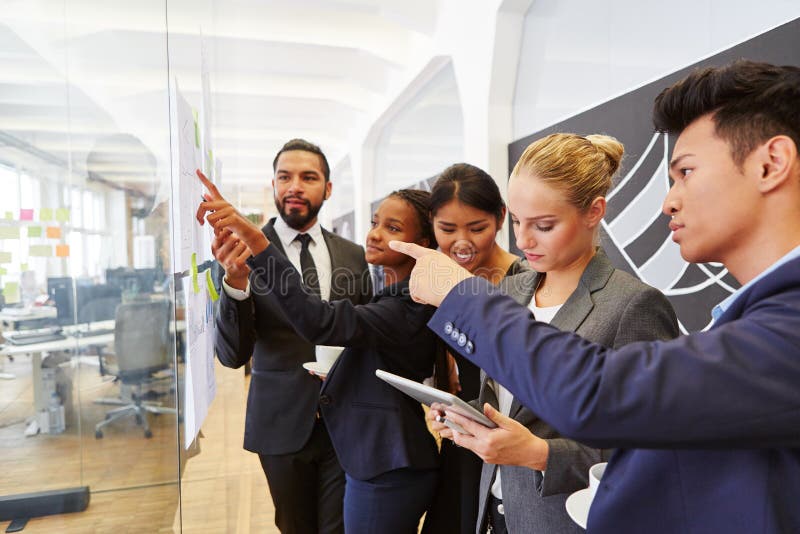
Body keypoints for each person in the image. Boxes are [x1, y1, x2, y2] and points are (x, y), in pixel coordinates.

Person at [390, 59, 800, 533]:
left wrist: (461, 295)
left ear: (771, 163)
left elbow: (599, 394)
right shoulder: (753, 317)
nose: (669, 201)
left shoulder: (776, 324)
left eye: (685, 172)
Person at [427, 135, 679, 534]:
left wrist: (540, 454)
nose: (523, 240)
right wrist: (467, 416)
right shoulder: (509, 292)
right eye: (516, 221)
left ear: (594, 211)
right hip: (494, 512)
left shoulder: (633, 305)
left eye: (544, 225)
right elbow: (509, 405)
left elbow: (651, 449)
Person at [198, 182, 442, 534]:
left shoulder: (408, 302)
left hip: (384, 458)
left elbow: (320, 322)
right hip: (340, 441)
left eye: (392, 228)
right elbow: (382, 359)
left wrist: (256, 242)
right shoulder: (396, 294)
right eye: (375, 222)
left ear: (422, 245)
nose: (374, 235)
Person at [210, 139, 372, 534]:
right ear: (274, 185)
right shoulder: (241, 252)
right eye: (285, 177)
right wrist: (235, 284)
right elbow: (232, 355)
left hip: (346, 420)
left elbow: (366, 335)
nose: (295, 186)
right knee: (296, 527)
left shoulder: (353, 255)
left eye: (308, 177)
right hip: (281, 422)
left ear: (328, 189)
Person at [421, 163, 527, 534]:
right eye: (447, 230)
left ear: (501, 218)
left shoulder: (524, 282)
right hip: (460, 440)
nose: (461, 242)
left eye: (477, 228)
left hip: (509, 445)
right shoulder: (439, 278)